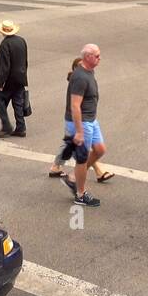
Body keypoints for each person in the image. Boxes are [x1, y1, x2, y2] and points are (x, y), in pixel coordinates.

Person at [48, 58, 114, 183]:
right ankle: (93, 173)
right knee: (79, 149)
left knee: (72, 145)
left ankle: (57, 167)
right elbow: (75, 105)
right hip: (77, 120)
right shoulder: (78, 80)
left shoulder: (85, 77)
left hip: (85, 119)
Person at [62, 44, 105, 207]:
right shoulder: (80, 77)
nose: (100, 58)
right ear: (87, 57)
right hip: (81, 123)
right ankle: (80, 194)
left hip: (91, 120)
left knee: (100, 150)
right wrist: (79, 131)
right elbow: (75, 105)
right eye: (97, 56)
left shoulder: (88, 70)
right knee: (82, 159)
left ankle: (73, 178)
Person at [0, 20, 28, 139]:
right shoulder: (21, 41)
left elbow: (4, 67)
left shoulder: (4, 45)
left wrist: (0, 83)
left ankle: (6, 126)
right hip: (20, 78)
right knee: (18, 103)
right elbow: (25, 61)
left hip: (9, 81)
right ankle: (21, 127)